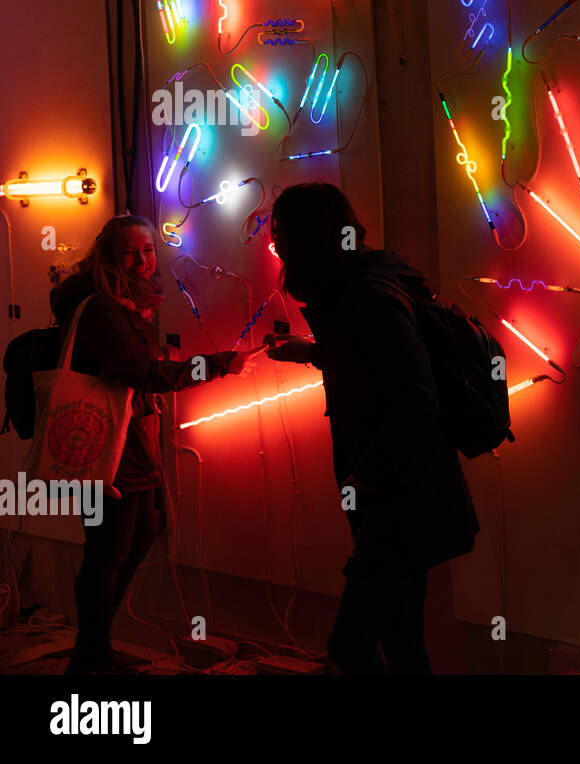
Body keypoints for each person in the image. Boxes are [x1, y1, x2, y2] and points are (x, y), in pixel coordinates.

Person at [265, 182, 478, 674]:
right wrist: (318, 353)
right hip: (406, 493)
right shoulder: (368, 278)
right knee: (400, 638)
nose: (277, 246)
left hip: (400, 499)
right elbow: (380, 364)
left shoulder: (364, 293)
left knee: (351, 644)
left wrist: (364, 478)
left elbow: (415, 399)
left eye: (283, 235)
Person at [52, 215, 247, 674]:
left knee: (137, 535)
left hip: (131, 442)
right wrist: (217, 365)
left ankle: (92, 648)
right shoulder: (102, 308)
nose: (142, 261)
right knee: (109, 551)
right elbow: (145, 374)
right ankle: (91, 656)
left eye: (147, 250)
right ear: (107, 257)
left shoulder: (126, 302)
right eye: (129, 253)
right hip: (108, 448)